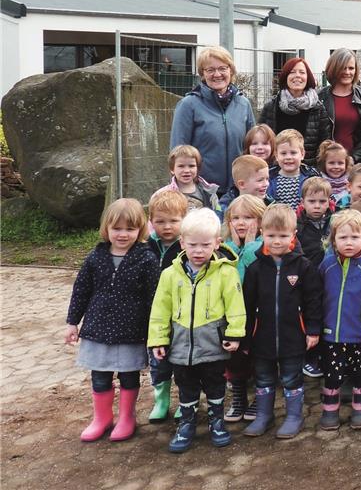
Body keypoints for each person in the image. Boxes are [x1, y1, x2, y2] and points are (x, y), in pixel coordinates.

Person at [147, 208, 246, 454]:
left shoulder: (226, 273)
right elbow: (160, 309)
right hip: (181, 345)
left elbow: (236, 306)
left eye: (205, 245)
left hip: (213, 343)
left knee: (215, 384)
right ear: (182, 243)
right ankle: (187, 423)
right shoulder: (170, 274)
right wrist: (158, 339)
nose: (199, 251)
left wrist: (234, 334)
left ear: (217, 243)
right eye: (192, 245)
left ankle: (217, 421)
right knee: (186, 384)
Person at [65, 198, 159, 443]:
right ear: (106, 228)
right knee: (100, 376)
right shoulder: (96, 257)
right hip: (98, 329)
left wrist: (156, 331)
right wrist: (72, 321)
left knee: (128, 376)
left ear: (141, 230)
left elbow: (155, 296)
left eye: (130, 228)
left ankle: (127, 417)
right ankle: (102, 418)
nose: (123, 234)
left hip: (132, 330)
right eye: (117, 228)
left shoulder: (146, 259)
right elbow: (81, 289)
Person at [241, 204, 323, 439]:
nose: (277, 241)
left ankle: (294, 416)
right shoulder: (255, 268)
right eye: (271, 236)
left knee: (291, 377)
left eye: (283, 236)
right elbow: (246, 305)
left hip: (293, 336)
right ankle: (264, 416)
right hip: (262, 337)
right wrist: (245, 336)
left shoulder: (304, 267)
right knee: (264, 376)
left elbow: (313, 301)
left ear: (293, 236)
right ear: (262, 235)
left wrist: (313, 330)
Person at [318, 210, 361, 431]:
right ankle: (330, 411)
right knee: (332, 375)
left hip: (360, 335)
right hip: (331, 335)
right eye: (343, 237)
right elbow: (317, 298)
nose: (349, 242)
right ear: (333, 240)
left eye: (354, 237)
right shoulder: (326, 266)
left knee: (360, 374)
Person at [170, 46, 256, 194]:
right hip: (201, 190)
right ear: (202, 74)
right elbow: (178, 152)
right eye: (210, 70)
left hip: (239, 188)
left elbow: (252, 146)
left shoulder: (243, 104)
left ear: (231, 70)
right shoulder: (189, 105)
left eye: (223, 68)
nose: (217, 74)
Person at [221, 194, 265, 423]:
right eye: (235, 217)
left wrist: (248, 249)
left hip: (256, 313)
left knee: (258, 356)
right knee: (234, 358)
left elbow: (253, 276)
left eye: (247, 217)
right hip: (231, 315)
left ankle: (259, 397)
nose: (240, 223)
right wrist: (235, 250)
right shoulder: (224, 248)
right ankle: (238, 396)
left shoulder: (263, 247)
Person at [146, 191, 187, 422]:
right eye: (160, 221)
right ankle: (161, 399)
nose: (167, 227)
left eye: (173, 221)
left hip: (182, 314)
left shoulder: (187, 248)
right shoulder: (146, 246)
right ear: (151, 221)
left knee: (181, 360)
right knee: (158, 361)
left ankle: (185, 400)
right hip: (155, 315)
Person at [259, 56, 333, 160]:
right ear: (285, 76)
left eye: (302, 72)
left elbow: (325, 144)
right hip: (276, 170)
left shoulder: (318, 108)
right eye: (292, 72)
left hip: (308, 171)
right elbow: (261, 141)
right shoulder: (271, 107)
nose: (297, 76)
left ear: (308, 78)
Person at [318, 49, 361, 165]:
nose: (347, 72)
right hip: (329, 164)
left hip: (359, 164)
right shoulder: (320, 97)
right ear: (334, 69)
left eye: (351, 68)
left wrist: (354, 158)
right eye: (343, 68)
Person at [152, 145, 220, 214]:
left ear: (197, 168)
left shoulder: (208, 192)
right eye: (181, 166)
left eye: (191, 166)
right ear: (172, 169)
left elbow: (218, 211)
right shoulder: (162, 195)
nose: (187, 170)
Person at [267, 129, 320, 209]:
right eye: (283, 153)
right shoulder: (269, 177)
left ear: (302, 154)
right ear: (277, 156)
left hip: (303, 220)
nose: (288, 157)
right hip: (278, 219)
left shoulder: (311, 176)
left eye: (293, 153)